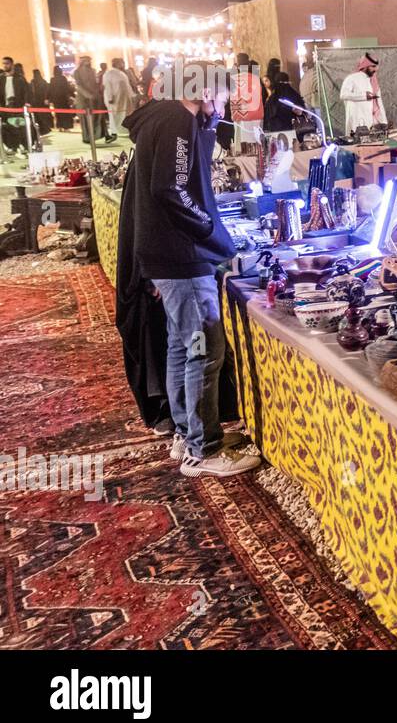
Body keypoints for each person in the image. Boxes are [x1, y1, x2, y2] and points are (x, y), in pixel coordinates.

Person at [117, 68, 259, 477]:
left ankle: (187, 434)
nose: (225, 104)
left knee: (182, 346)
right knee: (203, 350)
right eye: (222, 95)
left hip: (166, 254)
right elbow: (174, 189)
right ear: (205, 89)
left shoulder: (162, 117)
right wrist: (213, 234)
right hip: (181, 256)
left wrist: (209, 125)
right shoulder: (177, 119)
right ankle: (205, 448)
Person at [340, 52, 382, 136]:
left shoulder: (370, 81)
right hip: (355, 120)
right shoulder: (352, 78)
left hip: (368, 121)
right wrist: (363, 96)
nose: (375, 69)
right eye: (373, 66)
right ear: (365, 66)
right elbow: (343, 95)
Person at [74, 55, 110, 144]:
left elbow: (95, 83)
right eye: (86, 60)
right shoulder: (77, 72)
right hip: (83, 99)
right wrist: (88, 95)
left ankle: (102, 135)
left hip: (95, 98)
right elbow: (79, 85)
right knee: (86, 119)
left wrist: (98, 90)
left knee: (97, 118)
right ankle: (87, 137)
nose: (88, 62)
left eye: (89, 60)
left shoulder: (92, 70)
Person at [263, 70, 304, 142]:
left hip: (273, 132)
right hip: (290, 130)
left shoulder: (272, 97)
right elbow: (300, 112)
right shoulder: (291, 92)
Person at [102, 57, 133, 137]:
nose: (123, 64)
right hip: (115, 99)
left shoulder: (122, 74)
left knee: (124, 114)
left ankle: (124, 129)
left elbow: (127, 86)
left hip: (124, 99)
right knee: (114, 115)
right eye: (121, 63)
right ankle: (115, 131)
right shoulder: (109, 73)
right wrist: (110, 98)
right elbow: (108, 86)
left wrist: (132, 95)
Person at [48, 65, 74, 130]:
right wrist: (72, 95)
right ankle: (66, 126)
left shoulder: (52, 79)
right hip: (63, 98)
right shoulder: (63, 78)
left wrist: (49, 98)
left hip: (56, 99)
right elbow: (67, 88)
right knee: (65, 113)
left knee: (58, 113)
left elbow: (50, 89)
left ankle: (60, 126)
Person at [28, 68, 51, 135]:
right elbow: (47, 90)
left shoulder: (32, 82)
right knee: (45, 114)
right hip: (43, 101)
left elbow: (31, 92)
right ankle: (47, 126)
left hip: (36, 102)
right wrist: (46, 98)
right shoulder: (43, 81)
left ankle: (42, 129)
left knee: (39, 115)